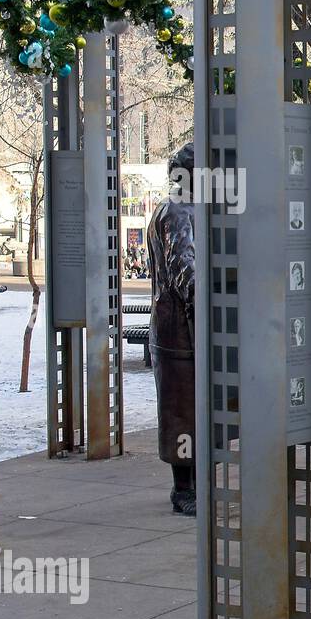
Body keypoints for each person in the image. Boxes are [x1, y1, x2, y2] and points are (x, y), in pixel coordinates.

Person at [147, 143, 197, 515]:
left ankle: (194, 483)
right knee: (182, 411)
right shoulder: (176, 212)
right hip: (179, 331)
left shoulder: (183, 209)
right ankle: (184, 489)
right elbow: (185, 271)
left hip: (181, 330)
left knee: (190, 409)